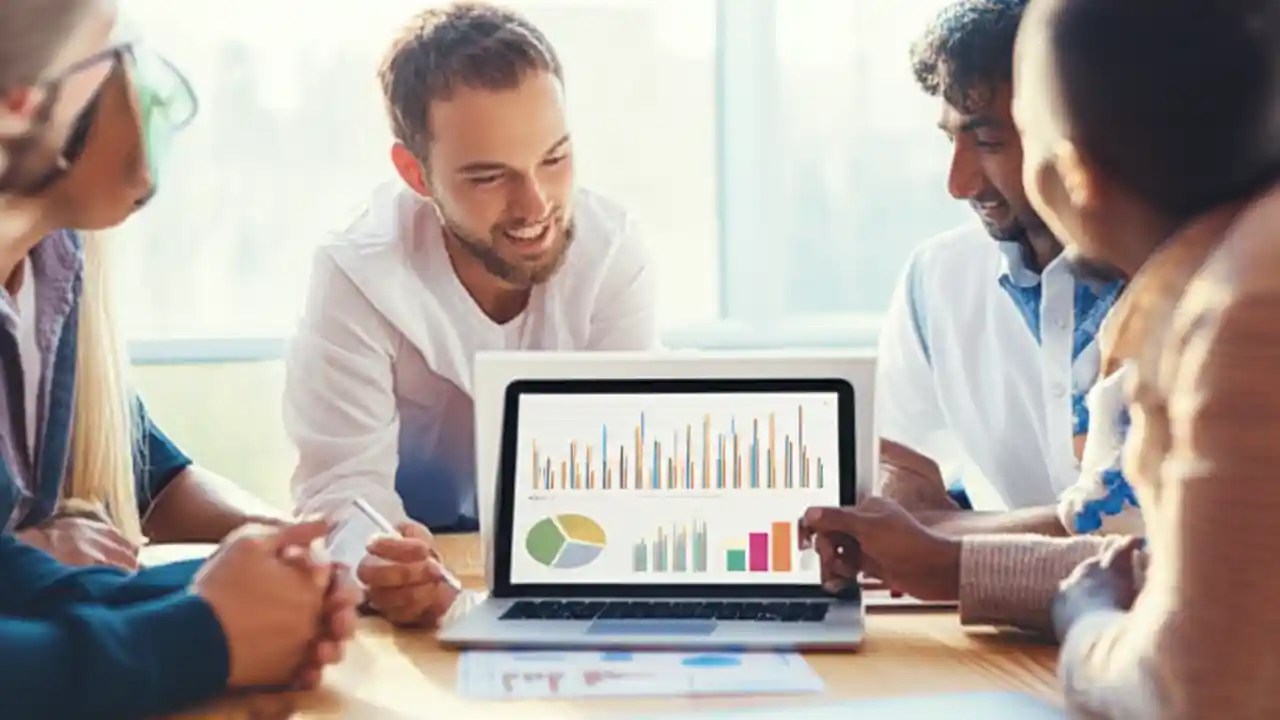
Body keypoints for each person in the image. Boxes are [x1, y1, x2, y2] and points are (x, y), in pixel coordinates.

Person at [0, 1, 358, 716]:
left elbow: (18, 573)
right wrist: (204, 634)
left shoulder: (59, 274)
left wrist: (275, 581)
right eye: (114, 48)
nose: (143, 81)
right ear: (23, 99)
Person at [285, 2, 658, 627]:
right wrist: (385, 564)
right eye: (489, 177)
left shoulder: (611, 252)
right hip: (415, 588)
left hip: (563, 568)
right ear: (415, 173)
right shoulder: (356, 273)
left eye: (555, 159)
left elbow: (627, 467)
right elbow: (341, 488)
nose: (535, 205)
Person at [1013, 0, 1280, 715]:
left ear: (1075, 175)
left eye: (1022, 131)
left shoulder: (1248, 306)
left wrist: (1086, 628)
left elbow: (1191, 688)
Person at [876, 0, 1126, 535]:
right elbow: (904, 502)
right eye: (951, 139)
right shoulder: (936, 282)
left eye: (989, 142)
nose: (958, 184)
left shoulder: (1193, 283)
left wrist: (943, 549)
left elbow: (1141, 532)